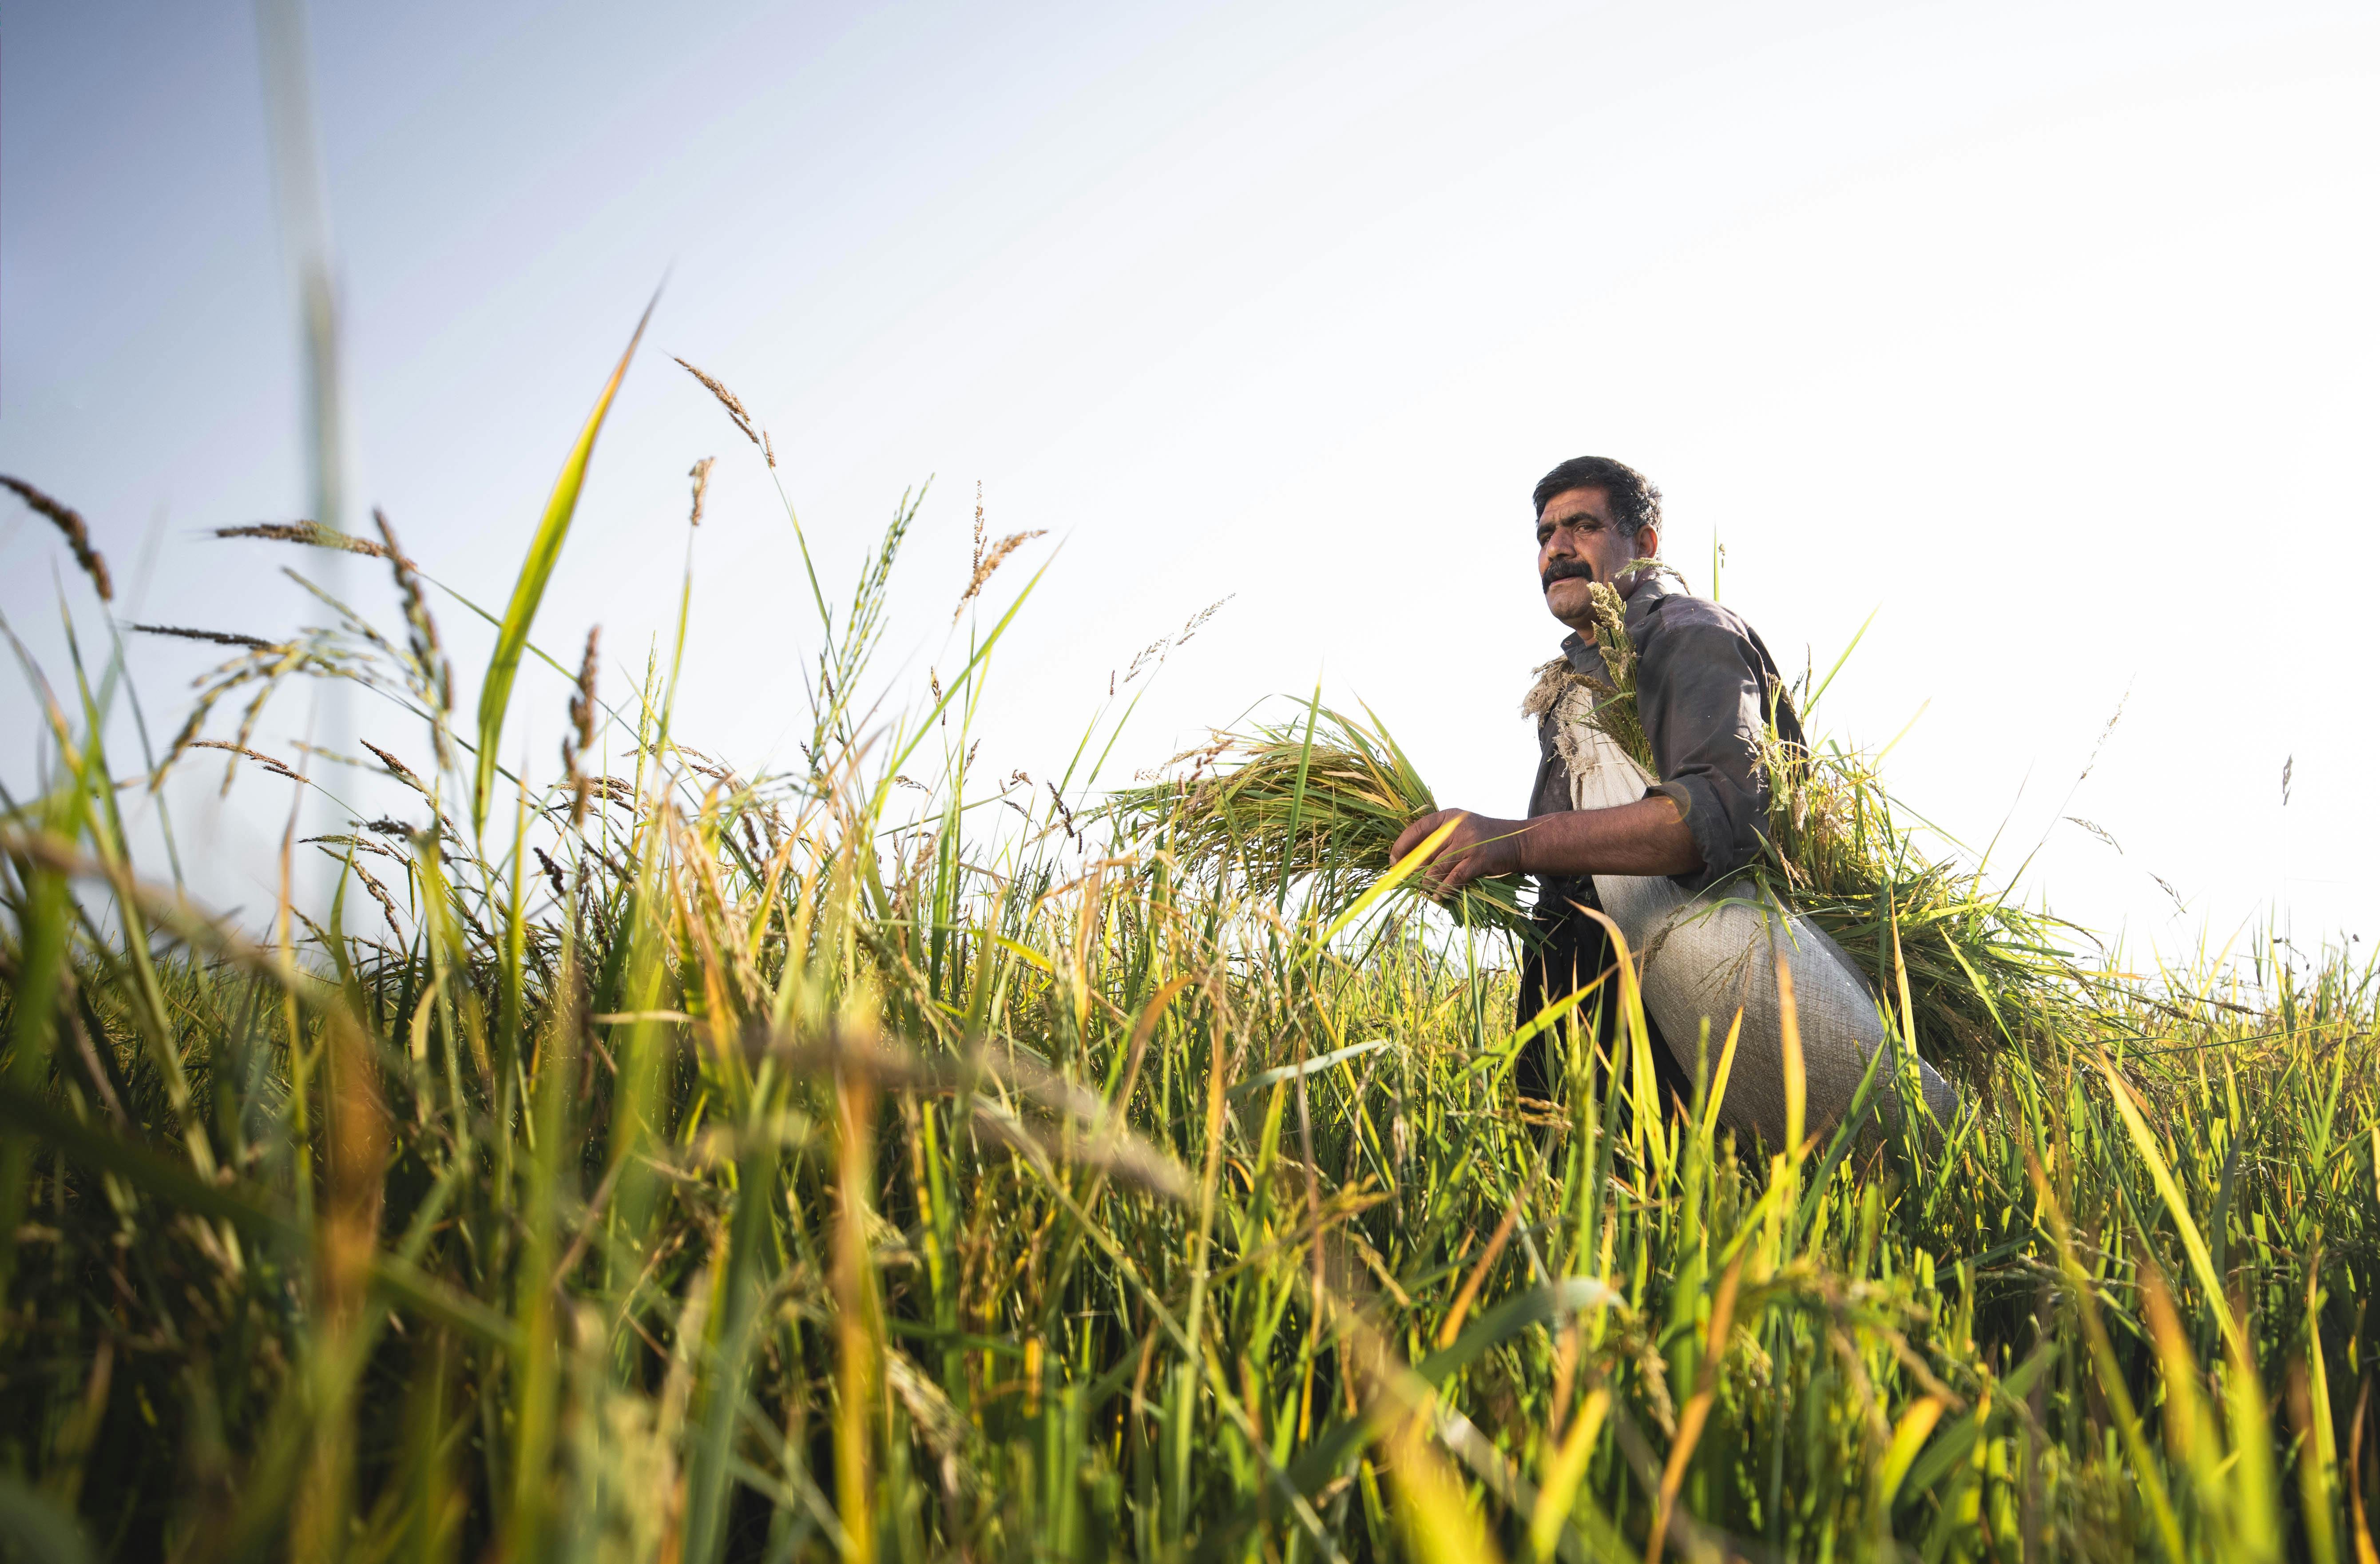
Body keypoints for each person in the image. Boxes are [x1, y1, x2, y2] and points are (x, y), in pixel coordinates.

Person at [1391, 456, 1952, 1142]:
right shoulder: (1570, 688)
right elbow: (1574, 873)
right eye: (1544, 535)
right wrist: (1471, 869)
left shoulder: (1687, 635)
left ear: (1646, 544)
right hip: (1595, 1017)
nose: (1556, 549)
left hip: (1693, 1000)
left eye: (1583, 526)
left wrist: (1507, 842)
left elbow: (1707, 816)